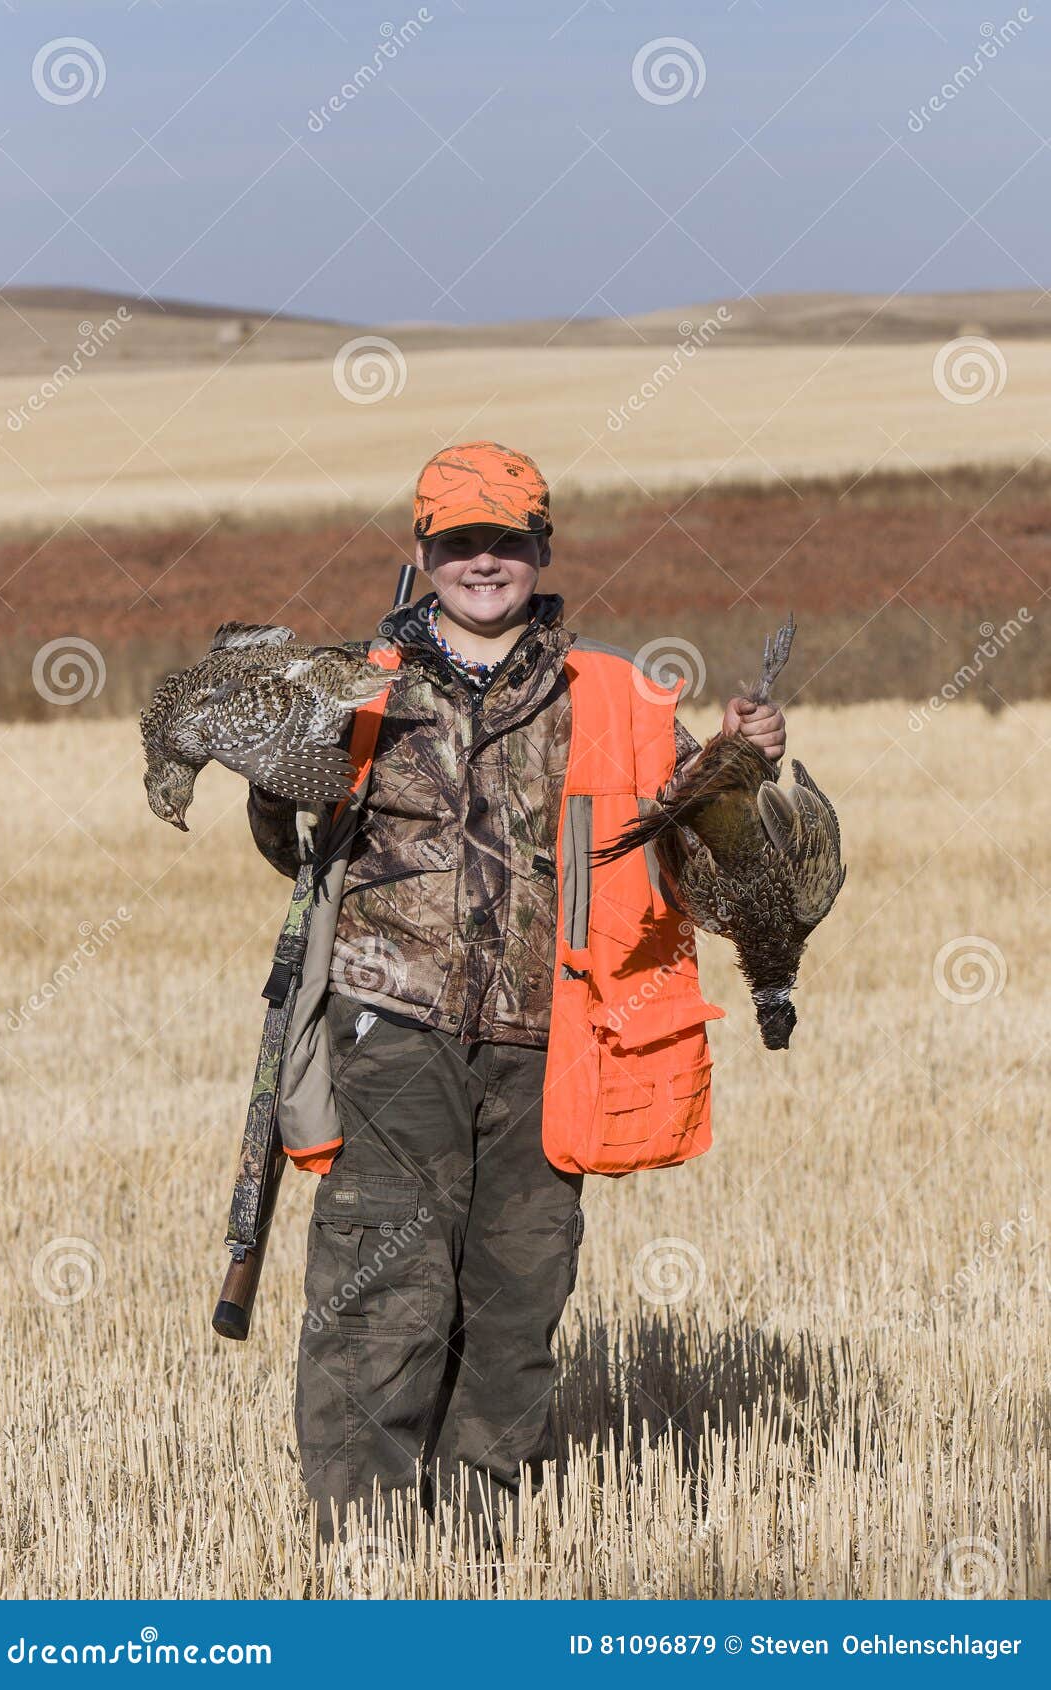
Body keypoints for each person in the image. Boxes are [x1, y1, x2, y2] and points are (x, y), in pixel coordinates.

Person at [247, 441, 786, 1550]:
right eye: (458, 542)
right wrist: (268, 757)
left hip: (555, 1033)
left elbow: (696, 852)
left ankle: (480, 1542)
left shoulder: (617, 692)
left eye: (504, 540)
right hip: (389, 1022)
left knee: (515, 1298)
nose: (481, 561)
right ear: (422, 552)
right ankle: (370, 1554)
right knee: (383, 1289)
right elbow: (285, 839)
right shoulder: (354, 682)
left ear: (540, 550)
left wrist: (740, 762)